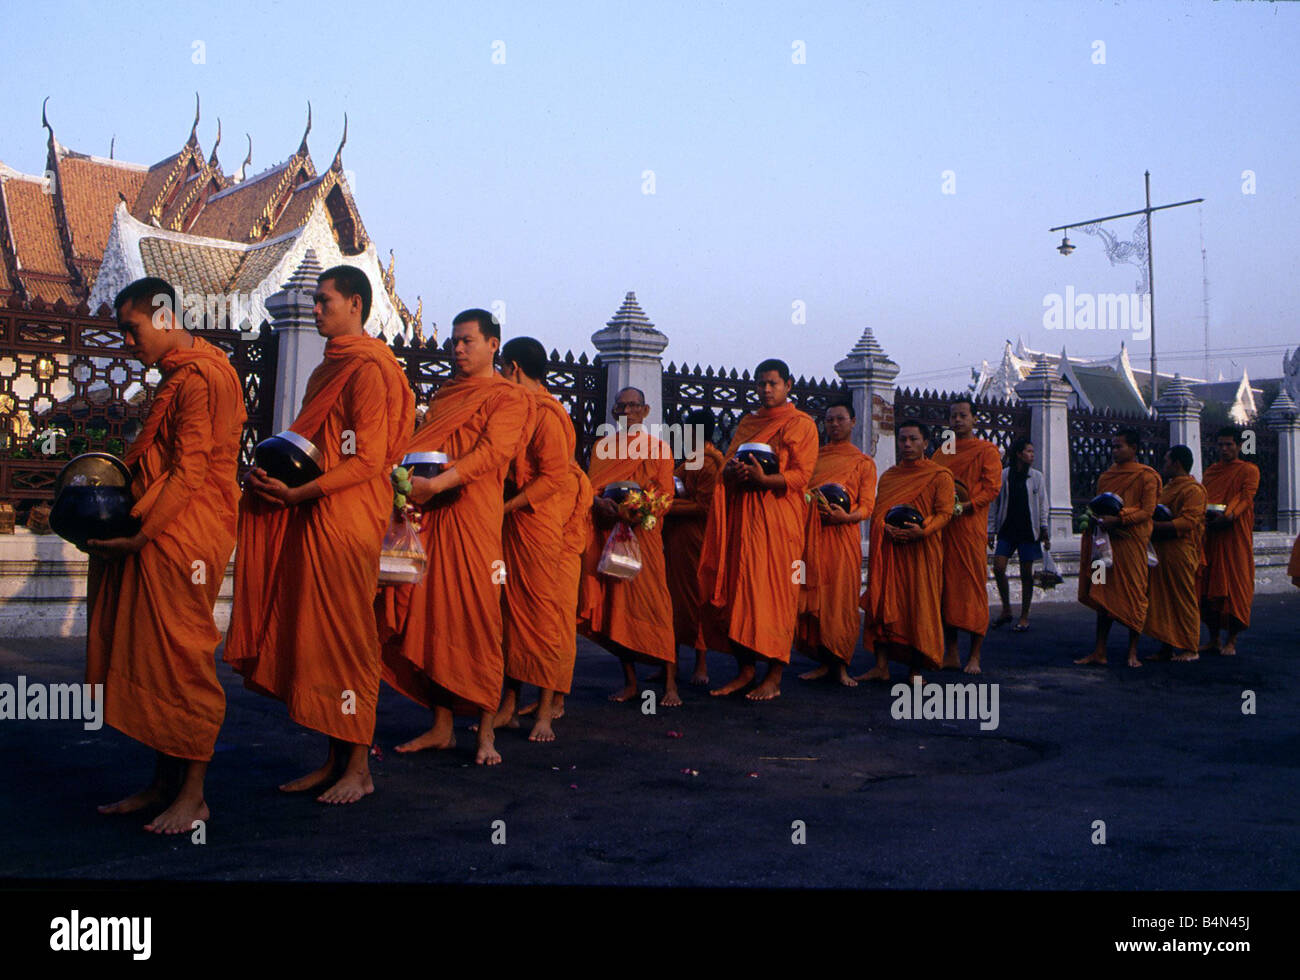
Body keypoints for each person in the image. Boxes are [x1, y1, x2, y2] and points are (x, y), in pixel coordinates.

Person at [225, 265, 414, 803]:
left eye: (324, 301)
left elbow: (368, 460)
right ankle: (334, 759)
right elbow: (312, 448)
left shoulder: (371, 370)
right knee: (320, 641)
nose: (315, 310)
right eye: (312, 301)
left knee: (349, 641)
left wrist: (298, 496)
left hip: (349, 521)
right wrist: (273, 480)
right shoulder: (325, 369)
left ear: (356, 304)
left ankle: (360, 768)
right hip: (317, 514)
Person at [83, 276, 245, 833]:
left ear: (164, 317)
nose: (130, 342)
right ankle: (161, 783)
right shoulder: (183, 372)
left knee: (183, 660)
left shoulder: (201, 379)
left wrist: (140, 535)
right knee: (158, 658)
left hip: (185, 534)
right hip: (167, 526)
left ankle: (194, 794)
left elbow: (190, 471)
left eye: (132, 329)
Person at [378, 309, 529, 765]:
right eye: (454, 342)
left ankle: (485, 735)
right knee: (433, 622)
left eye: (467, 341)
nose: (458, 349)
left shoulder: (509, 397)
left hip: (473, 521)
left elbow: (492, 453)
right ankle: (441, 727)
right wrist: (407, 487)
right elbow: (421, 448)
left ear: (493, 345)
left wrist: (438, 484)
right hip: (433, 520)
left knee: (478, 622)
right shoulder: (447, 395)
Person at [698, 359, 819, 701]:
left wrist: (767, 480)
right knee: (739, 594)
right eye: (761, 384)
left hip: (779, 521)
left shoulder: (801, 425)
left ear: (788, 385)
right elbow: (729, 462)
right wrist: (732, 474)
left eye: (773, 383)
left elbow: (801, 476)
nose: (766, 390)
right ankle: (746, 670)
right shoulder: (749, 422)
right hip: (742, 521)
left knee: (776, 596)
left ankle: (774, 676)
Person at [494, 336, 582, 742]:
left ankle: (545, 711)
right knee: (510, 618)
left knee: (543, 621)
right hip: (513, 525)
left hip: (539, 524)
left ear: (513, 368)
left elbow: (555, 478)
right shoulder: (519, 409)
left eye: (501, 369)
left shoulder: (547, 415)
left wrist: (509, 507)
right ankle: (508, 705)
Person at [580, 387, 679, 705]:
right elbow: (591, 488)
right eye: (621, 407)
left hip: (643, 535)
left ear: (645, 410)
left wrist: (639, 511)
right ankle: (631, 682)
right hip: (611, 532)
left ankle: (670, 685)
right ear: (613, 413)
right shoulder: (603, 448)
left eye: (633, 406)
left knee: (656, 606)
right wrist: (600, 504)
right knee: (616, 608)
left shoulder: (659, 448)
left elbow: (665, 494)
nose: (627, 412)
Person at [856, 420, 954, 681]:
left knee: (917, 606)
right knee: (882, 601)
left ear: (925, 442)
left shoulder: (939, 476)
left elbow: (944, 513)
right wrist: (884, 528)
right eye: (902, 440)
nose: (907, 445)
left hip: (922, 550)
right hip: (890, 551)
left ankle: (915, 668)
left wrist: (921, 531)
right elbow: (878, 513)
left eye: (913, 439)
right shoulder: (889, 476)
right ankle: (881, 666)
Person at [795, 399, 876, 686]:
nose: (834, 425)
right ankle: (822, 662)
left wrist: (845, 516)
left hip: (843, 540)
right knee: (813, 596)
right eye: (829, 420)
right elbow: (800, 492)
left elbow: (867, 506)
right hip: (812, 538)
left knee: (841, 602)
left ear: (853, 422)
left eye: (840, 419)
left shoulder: (863, 463)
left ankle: (841, 664)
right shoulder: (813, 458)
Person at [1074, 428, 1161, 669]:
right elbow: (1099, 505)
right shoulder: (1105, 477)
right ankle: (1099, 650)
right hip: (1105, 544)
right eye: (1112, 446)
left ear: (1134, 449)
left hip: (1131, 543)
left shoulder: (1147, 476)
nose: (1114, 450)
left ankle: (1132, 652)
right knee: (1101, 593)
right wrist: (1093, 518)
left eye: (1119, 446)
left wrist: (1120, 518)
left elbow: (1147, 510)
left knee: (1135, 594)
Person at [935, 397, 1002, 674]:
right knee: (946, 591)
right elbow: (932, 478)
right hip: (945, 530)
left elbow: (992, 488)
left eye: (963, 415)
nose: (957, 421)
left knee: (973, 590)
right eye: (953, 416)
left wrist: (967, 505)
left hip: (970, 529)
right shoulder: (944, 451)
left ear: (974, 419)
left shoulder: (986, 450)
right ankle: (951, 652)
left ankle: (974, 655)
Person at [663, 408, 725, 686]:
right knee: (671, 602)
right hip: (677, 539)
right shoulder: (692, 459)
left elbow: (705, 506)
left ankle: (701, 664)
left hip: (697, 539)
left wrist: (666, 506)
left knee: (695, 600)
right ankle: (669, 664)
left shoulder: (709, 462)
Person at [1200, 425, 1260, 656]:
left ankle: (1231, 640)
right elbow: (1205, 497)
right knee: (1208, 586)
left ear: (1239, 446)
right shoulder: (1212, 472)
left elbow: (1245, 497)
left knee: (1236, 585)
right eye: (1221, 445)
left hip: (1235, 535)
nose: (1224, 449)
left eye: (1229, 445)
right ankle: (1214, 638)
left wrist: (1230, 516)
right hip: (1212, 534)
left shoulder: (1249, 470)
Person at [1143, 445, 1207, 661]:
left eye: (1167, 461)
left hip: (1180, 551)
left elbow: (1188, 521)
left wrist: (1153, 527)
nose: (1164, 465)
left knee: (1183, 598)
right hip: (1162, 550)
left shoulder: (1193, 490)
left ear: (1177, 463)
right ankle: (1167, 645)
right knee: (1162, 599)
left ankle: (1191, 647)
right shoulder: (1168, 487)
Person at [987, 438, 1050, 632]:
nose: (1032, 455)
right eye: (1028, 451)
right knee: (998, 567)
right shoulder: (1005, 475)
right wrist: (990, 529)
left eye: (1033, 451)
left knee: (1026, 575)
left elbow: (1042, 504)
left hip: (1028, 531)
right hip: (1007, 529)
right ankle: (1006, 608)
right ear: (1018, 454)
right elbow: (994, 504)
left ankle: (1024, 616)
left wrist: (1044, 528)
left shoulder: (1036, 477)